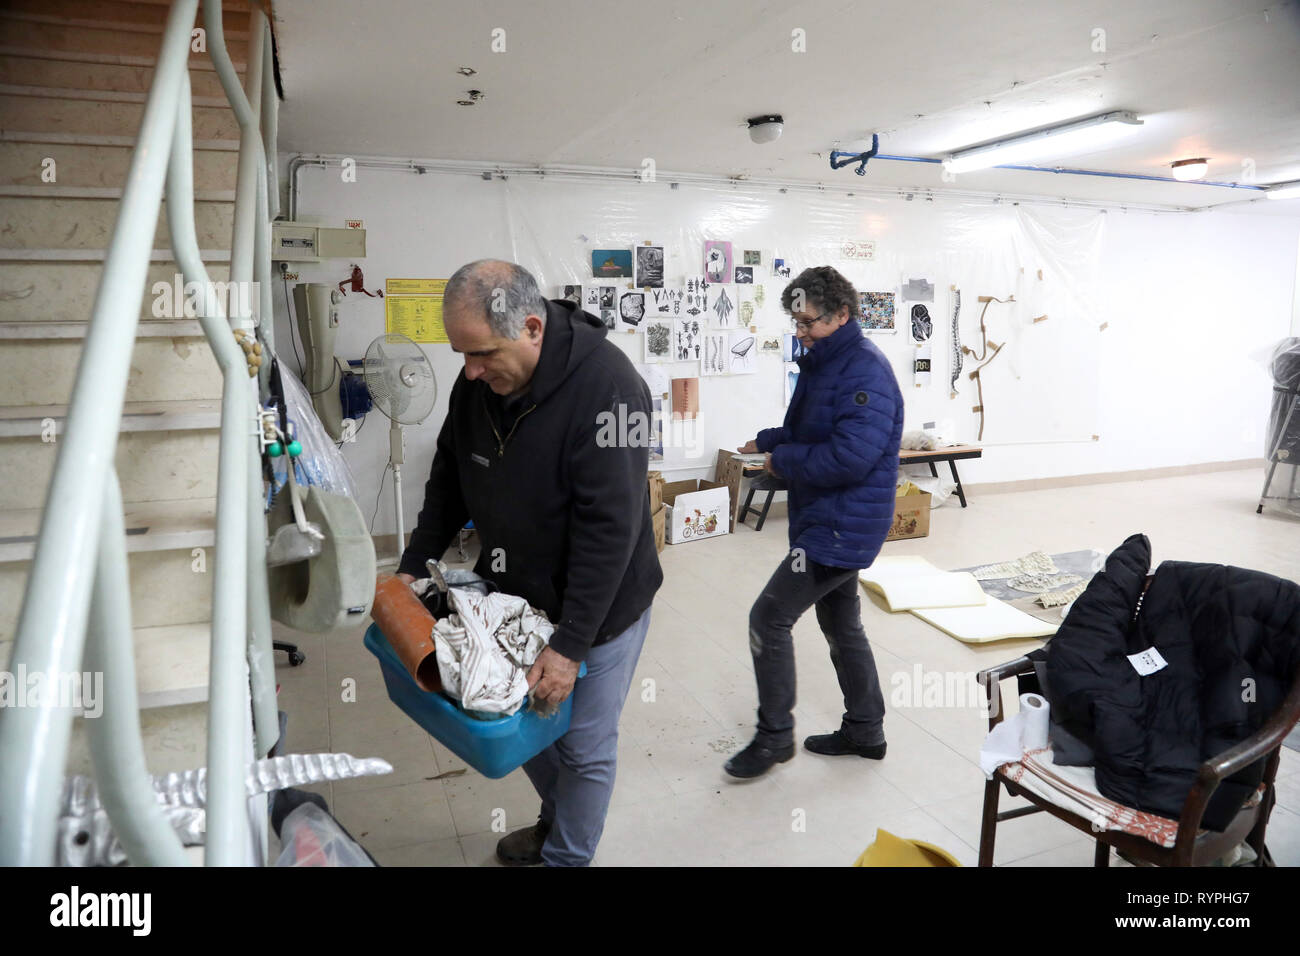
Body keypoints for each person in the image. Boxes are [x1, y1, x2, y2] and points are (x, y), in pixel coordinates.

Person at [395, 259, 663, 865]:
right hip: (518, 596)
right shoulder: (479, 385)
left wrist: (569, 646)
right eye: (462, 355)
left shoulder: (612, 391)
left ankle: (567, 858)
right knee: (529, 727)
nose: (470, 371)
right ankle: (556, 822)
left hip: (602, 607)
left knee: (585, 746)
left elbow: (609, 531)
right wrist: (413, 564)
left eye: (483, 354)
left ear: (533, 328)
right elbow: (449, 481)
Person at [724, 266, 903, 779]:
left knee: (769, 619)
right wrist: (769, 439)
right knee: (842, 622)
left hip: (841, 525)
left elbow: (850, 456)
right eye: (795, 323)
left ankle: (774, 737)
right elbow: (811, 427)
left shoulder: (864, 370)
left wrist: (784, 463)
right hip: (826, 517)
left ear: (842, 314)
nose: (800, 332)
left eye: (808, 322)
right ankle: (866, 731)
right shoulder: (827, 361)